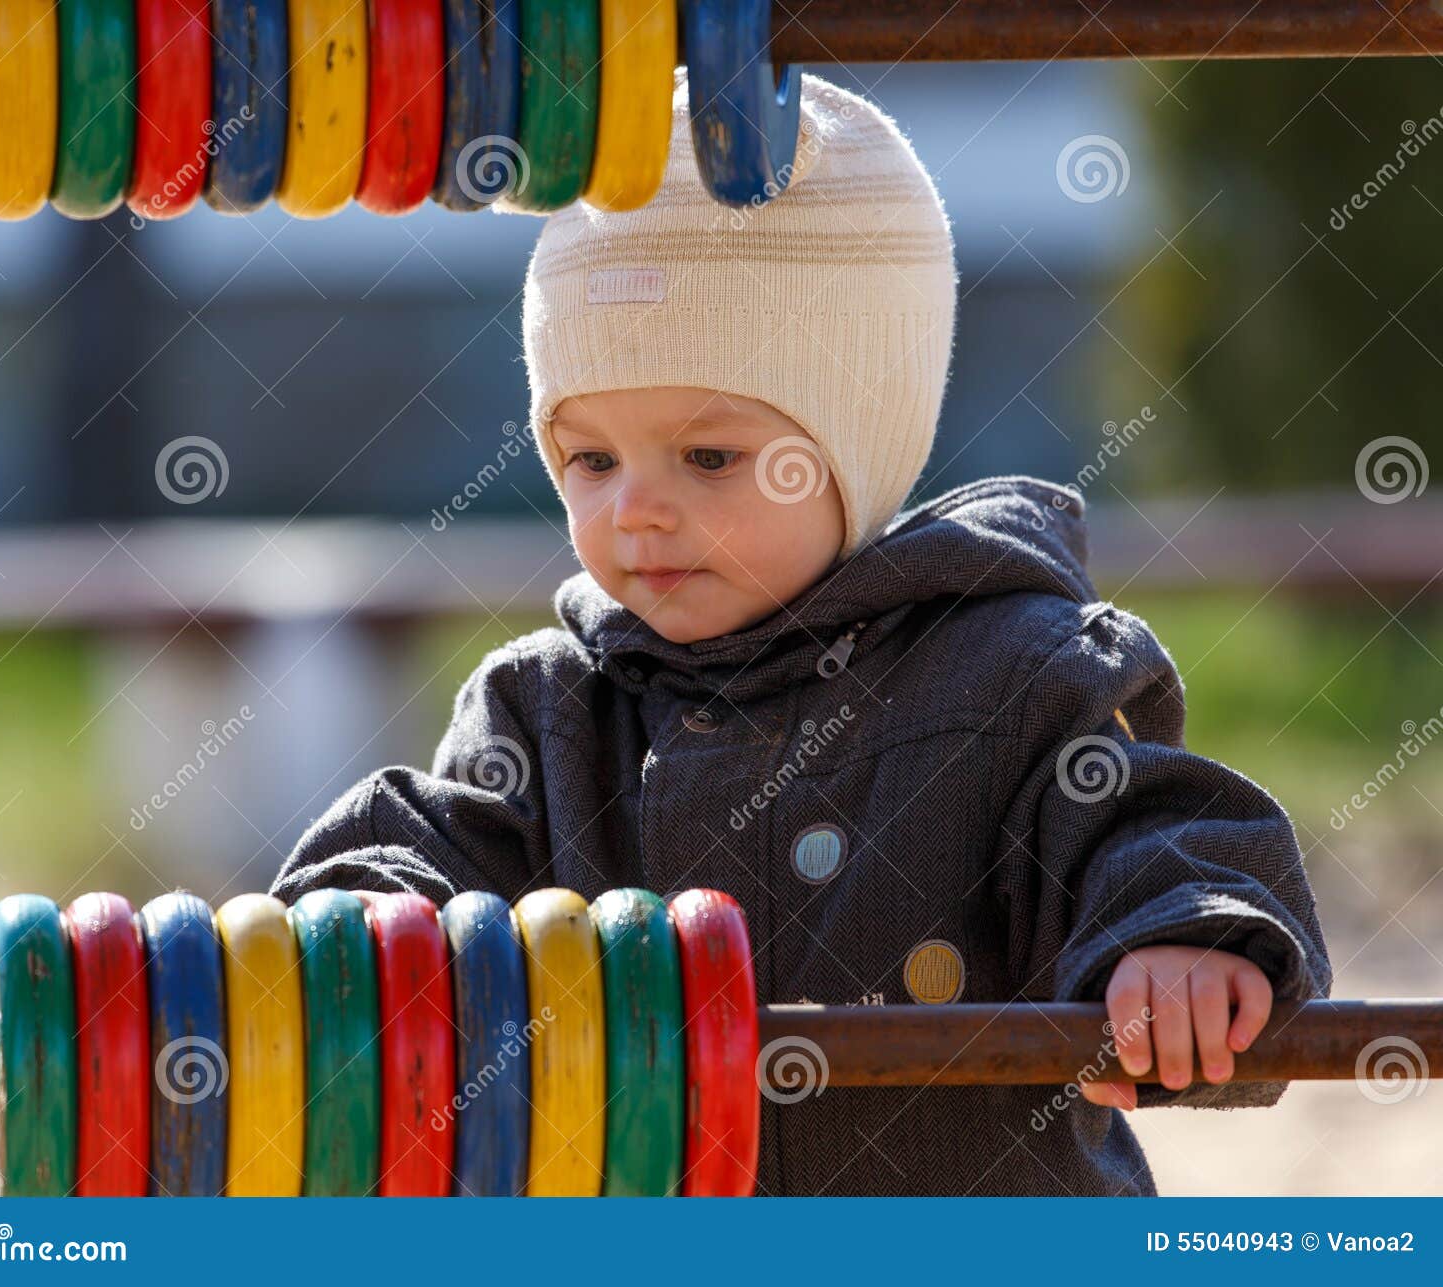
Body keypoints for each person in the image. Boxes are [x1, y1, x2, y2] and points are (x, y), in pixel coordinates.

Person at [269, 69, 1332, 1196]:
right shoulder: (548, 713)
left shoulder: (1015, 676)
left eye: (709, 457)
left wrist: (1181, 939)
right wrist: (354, 934)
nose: (634, 509)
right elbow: (430, 858)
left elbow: (1142, 824)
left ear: (853, 444)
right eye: (591, 460)